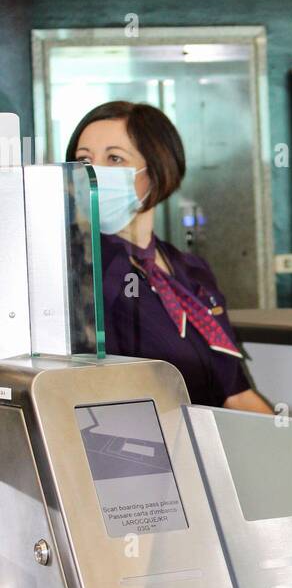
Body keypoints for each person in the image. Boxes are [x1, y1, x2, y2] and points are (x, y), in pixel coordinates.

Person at [67, 101, 272, 414]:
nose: (94, 173)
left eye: (115, 158)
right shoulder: (76, 267)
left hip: (205, 446)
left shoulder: (190, 271)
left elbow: (236, 393)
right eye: (83, 160)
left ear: (157, 169)